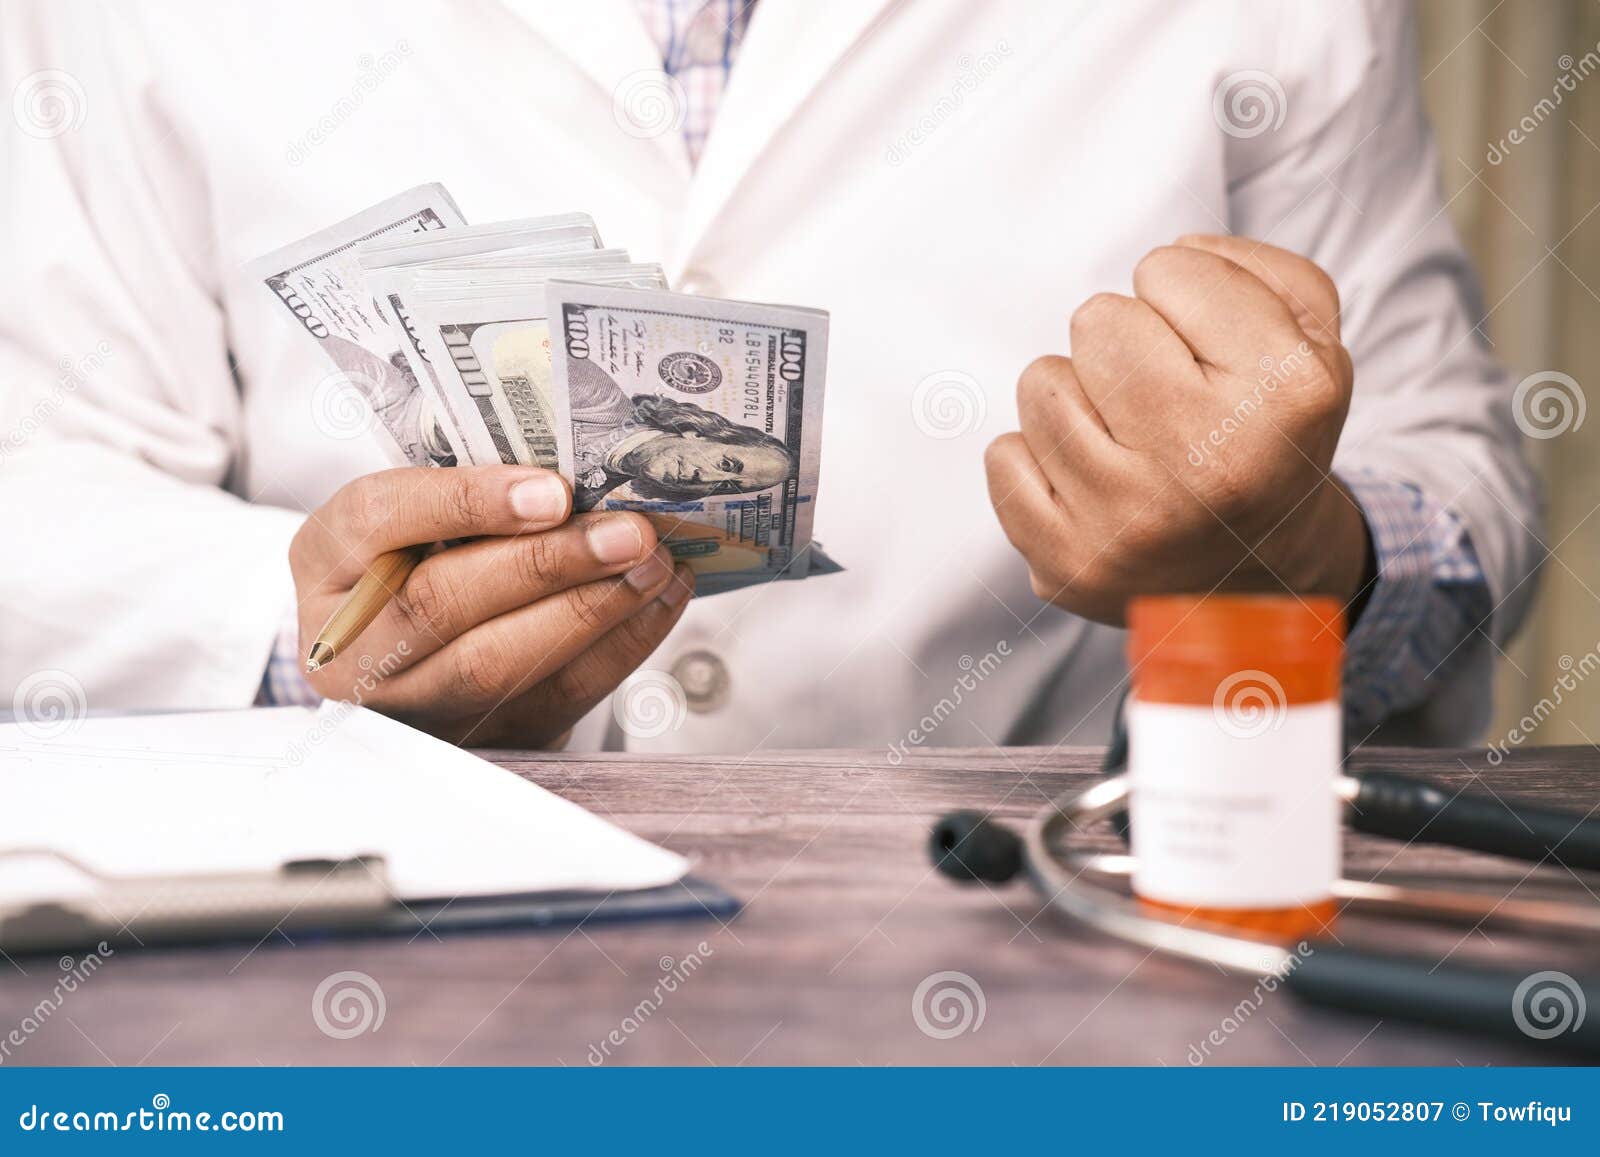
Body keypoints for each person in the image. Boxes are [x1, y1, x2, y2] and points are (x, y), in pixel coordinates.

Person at [0, 1, 1539, 753]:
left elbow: (1458, 471)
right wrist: (302, 644)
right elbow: (34, 487)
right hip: (389, 953)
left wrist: (1295, 562)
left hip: (1037, 977)